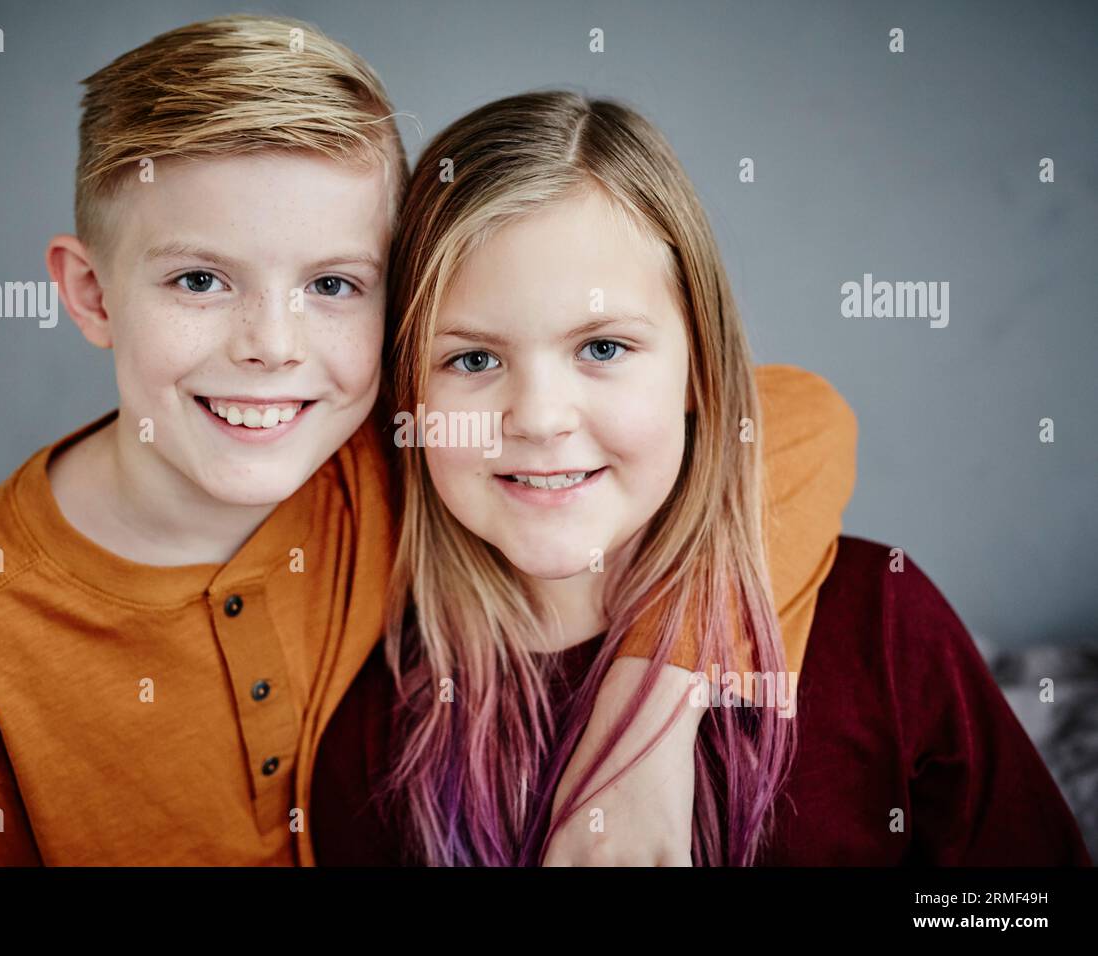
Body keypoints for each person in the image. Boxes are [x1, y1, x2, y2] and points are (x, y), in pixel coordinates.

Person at [0, 17, 847, 866]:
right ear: (89, 292)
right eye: (200, 280)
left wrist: (647, 705)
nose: (271, 349)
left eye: (332, 285)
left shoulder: (395, 454)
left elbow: (789, 417)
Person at [310, 91, 1087, 867]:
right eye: (472, 359)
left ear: (698, 370)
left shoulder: (877, 619)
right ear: (408, 391)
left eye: (603, 348)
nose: (540, 419)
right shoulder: (371, 724)